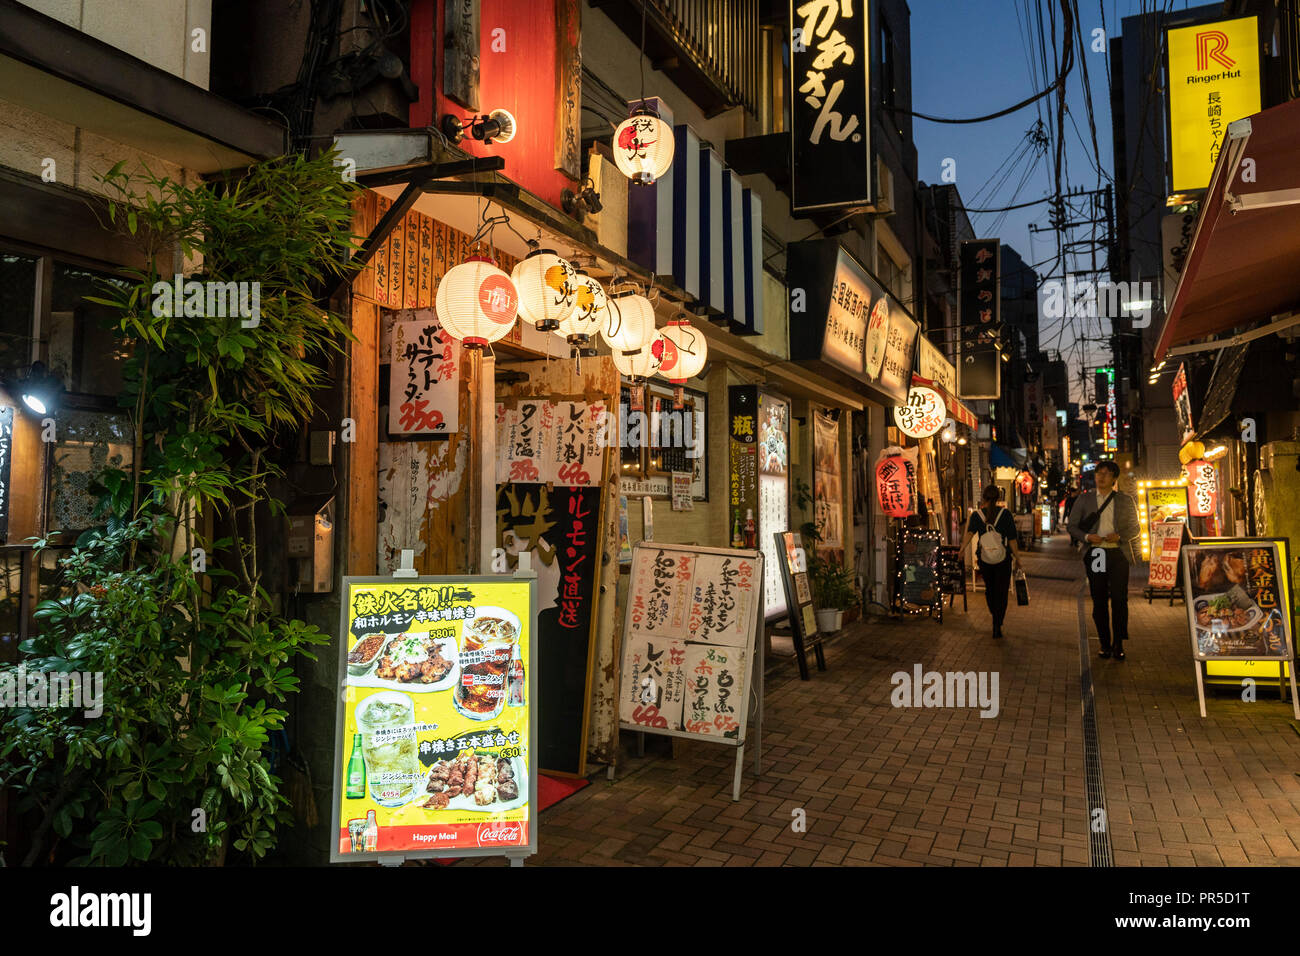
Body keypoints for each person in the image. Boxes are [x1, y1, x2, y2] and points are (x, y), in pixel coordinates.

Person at [1068, 460, 1141, 660]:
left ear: (1114, 478)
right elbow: (1072, 526)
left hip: (1118, 553)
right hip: (1097, 553)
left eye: (1106, 474)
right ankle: (1104, 643)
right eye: (1099, 473)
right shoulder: (1085, 500)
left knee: (1119, 599)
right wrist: (1087, 537)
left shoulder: (1125, 500)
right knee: (1099, 598)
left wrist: (1120, 535)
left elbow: (1135, 527)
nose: (1101, 477)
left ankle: (1118, 643)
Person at [959, 484, 1022, 639]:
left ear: (984, 498)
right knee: (1002, 592)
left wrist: (961, 550)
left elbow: (969, 534)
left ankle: (994, 615)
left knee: (990, 589)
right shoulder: (1006, 514)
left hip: (985, 559)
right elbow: (1012, 540)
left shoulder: (976, 515)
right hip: (1003, 559)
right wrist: (1018, 559)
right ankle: (997, 622)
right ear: (998, 498)